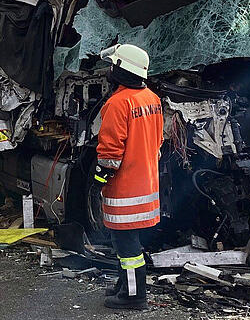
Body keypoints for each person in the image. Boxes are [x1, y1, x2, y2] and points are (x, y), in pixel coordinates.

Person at [92, 43, 162, 311]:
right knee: (127, 242)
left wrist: (98, 181)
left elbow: (110, 153)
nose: (110, 70)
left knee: (127, 245)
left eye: (113, 65)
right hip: (146, 185)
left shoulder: (118, 103)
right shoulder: (152, 99)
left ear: (122, 70)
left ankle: (134, 296)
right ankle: (125, 285)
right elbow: (157, 142)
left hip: (124, 189)